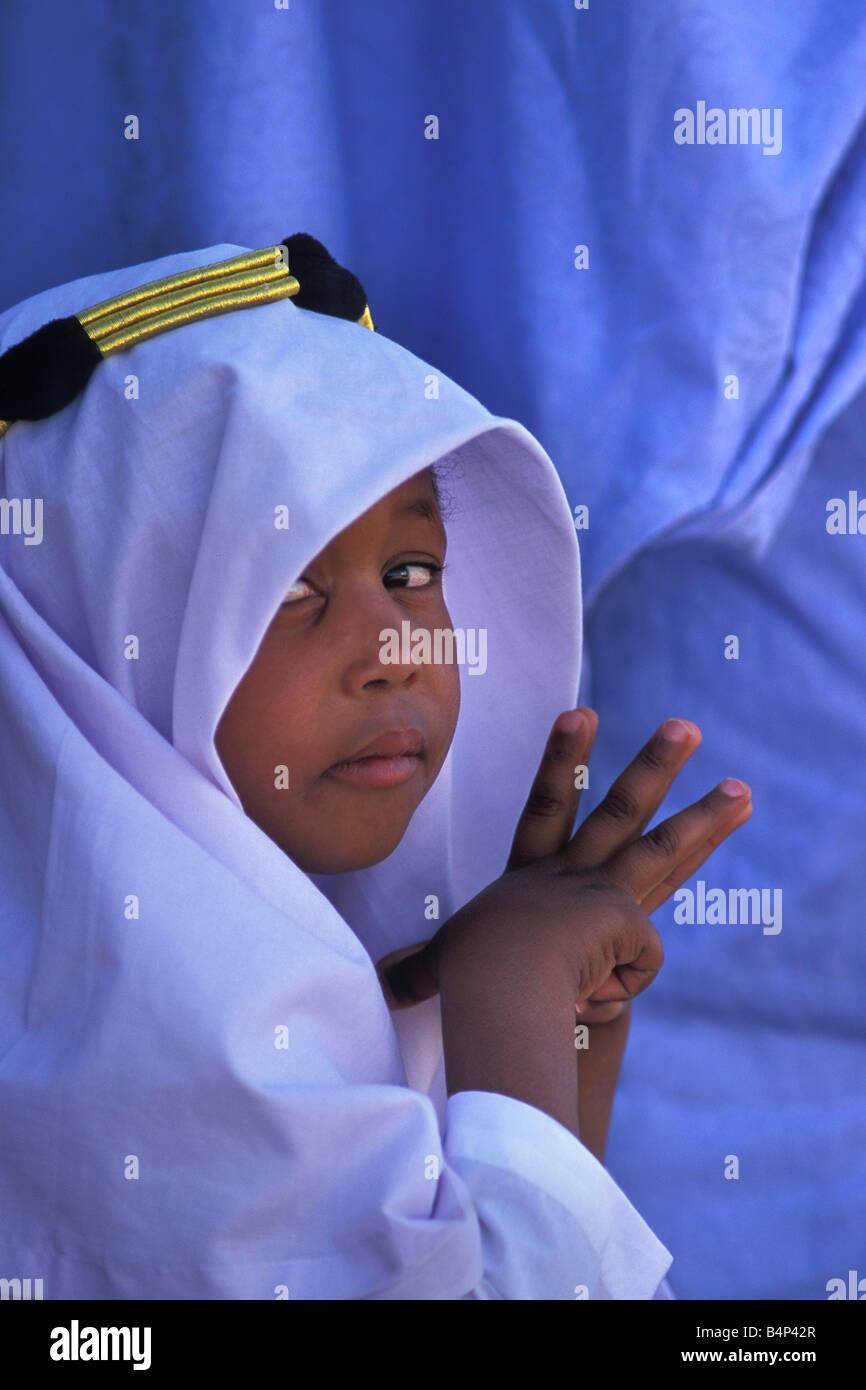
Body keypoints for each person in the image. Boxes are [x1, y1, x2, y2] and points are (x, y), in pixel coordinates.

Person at [0, 234, 751, 1299]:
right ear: (91, 649)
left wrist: (553, 1049)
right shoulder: (142, 1066)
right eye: (285, 589)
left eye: (412, 572)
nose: (394, 647)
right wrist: (511, 983)